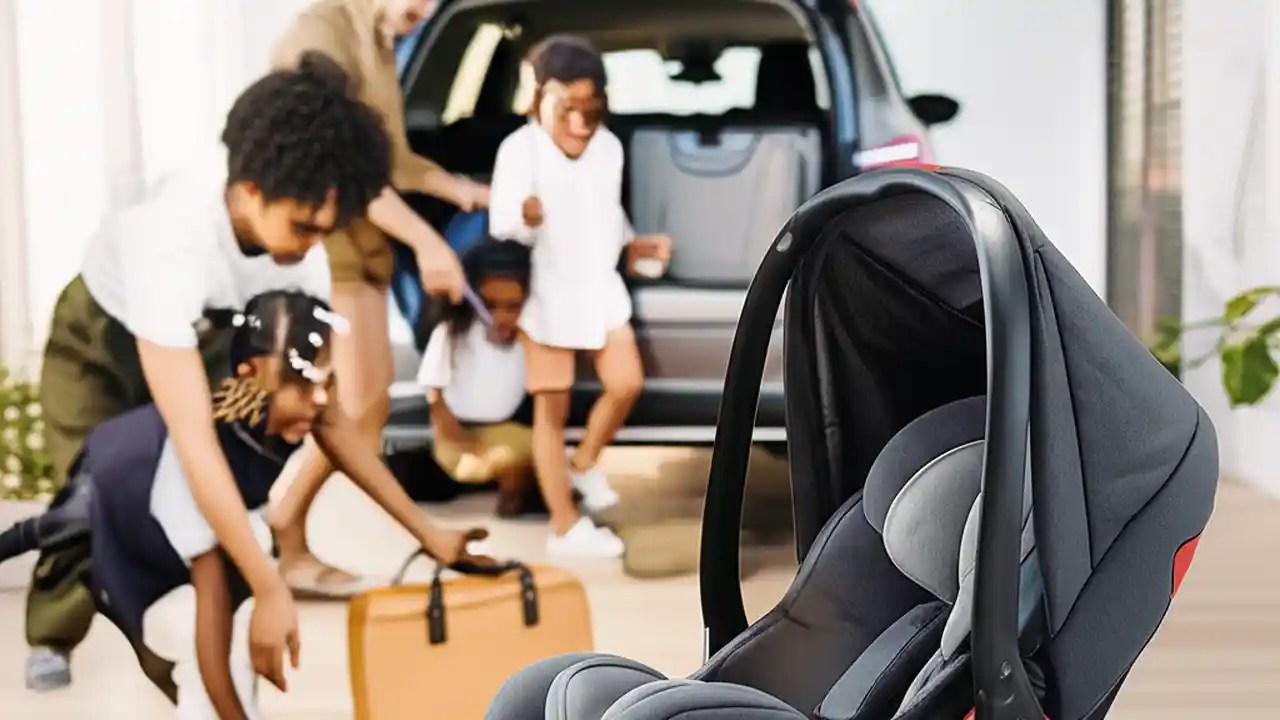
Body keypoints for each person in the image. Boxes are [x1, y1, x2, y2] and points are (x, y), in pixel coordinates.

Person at [22, 52, 461, 693]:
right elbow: (191, 435)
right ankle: (53, 635)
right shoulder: (170, 237)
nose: (314, 245)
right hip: (104, 333)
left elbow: (324, 413)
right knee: (90, 497)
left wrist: (427, 530)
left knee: (225, 477)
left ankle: (194, 626)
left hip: (218, 328)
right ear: (249, 188)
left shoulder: (297, 258)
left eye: (326, 230)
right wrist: (271, 583)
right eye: (304, 226)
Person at [2, 290, 489, 717]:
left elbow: (341, 440)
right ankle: (54, 640)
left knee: (232, 623)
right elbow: (211, 611)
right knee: (61, 536)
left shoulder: (280, 403)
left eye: (327, 383)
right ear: (252, 374)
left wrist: (430, 534)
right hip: (119, 493)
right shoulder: (195, 466)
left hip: (194, 520)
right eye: (305, 385)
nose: (321, 400)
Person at [265, 0, 492, 598]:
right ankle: (278, 526)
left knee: (354, 400)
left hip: (363, 243)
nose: (424, 7)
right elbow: (339, 166)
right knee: (356, 400)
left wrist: (462, 190)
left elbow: (387, 159)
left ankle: (281, 527)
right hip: (320, 237)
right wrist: (428, 244)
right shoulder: (322, 34)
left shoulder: (384, 40)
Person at [488, 35, 673, 557]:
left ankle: (586, 461)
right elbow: (502, 224)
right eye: (567, 109)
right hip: (544, 293)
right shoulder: (518, 150)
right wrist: (521, 217)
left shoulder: (608, 147)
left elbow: (606, 214)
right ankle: (565, 526)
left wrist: (634, 245)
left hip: (599, 287)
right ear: (537, 100)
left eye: (592, 111)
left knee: (626, 382)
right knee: (551, 410)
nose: (579, 123)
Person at [418, 238, 544, 518]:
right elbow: (435, 399)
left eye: (513, 307)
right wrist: (456, 438)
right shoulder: (452, 333)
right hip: (458, 437)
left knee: (544, 449)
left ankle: (514, 490)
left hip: (504, 431)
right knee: (501, 458)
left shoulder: (529, 340)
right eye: (490, 305)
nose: (500, 317)